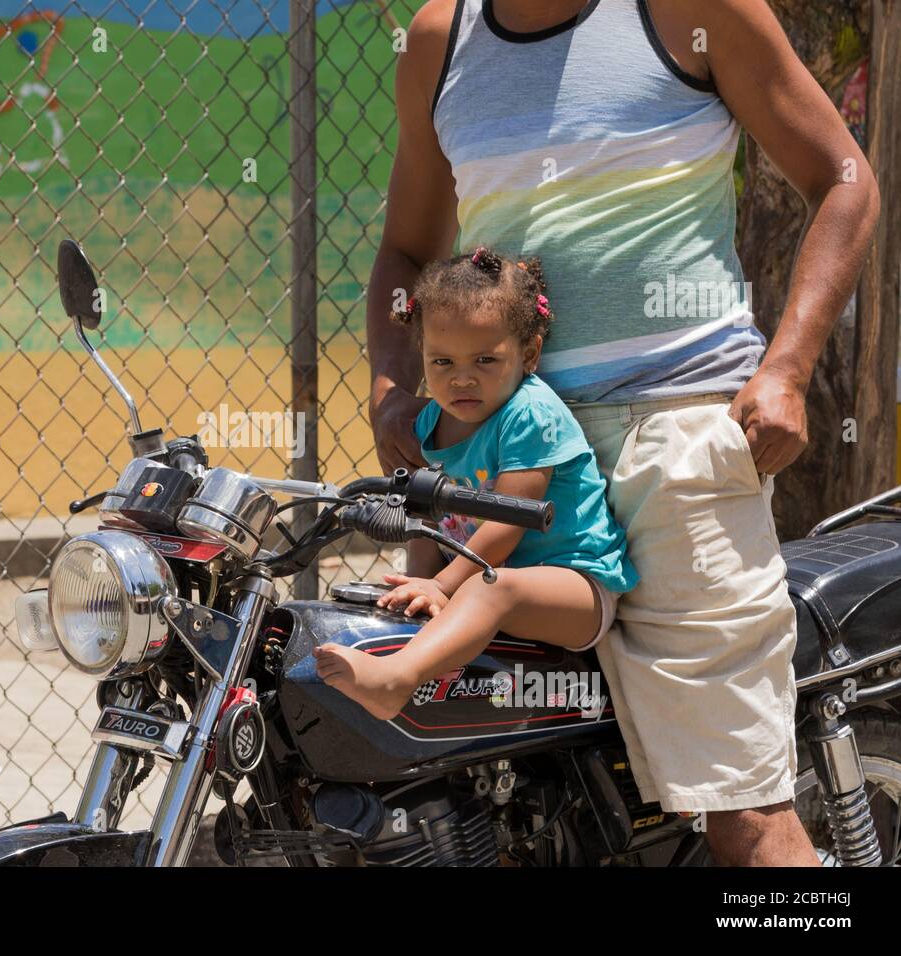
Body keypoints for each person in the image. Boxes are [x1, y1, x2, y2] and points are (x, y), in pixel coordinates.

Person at [367, 0, 879, 865]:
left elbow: (845, 177)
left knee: (742, 816)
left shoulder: (694, 12)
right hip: (504, 455)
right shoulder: (437, 39)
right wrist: (390, 389)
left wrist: (788, 369)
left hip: (673, 445)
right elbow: (406, 253)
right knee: (474, 775)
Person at [315, 246, 639, 720]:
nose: (462, 379)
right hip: (487, 578)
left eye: (485, 360)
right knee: (445, 592)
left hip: (576, 585)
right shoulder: (432, 421)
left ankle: (396, 680)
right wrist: (421, 582)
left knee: (492, 588)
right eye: (442, 363)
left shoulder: (530, 414)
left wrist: (443, 585)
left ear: (529, 354)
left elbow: (508, 522)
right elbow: (427, 515)